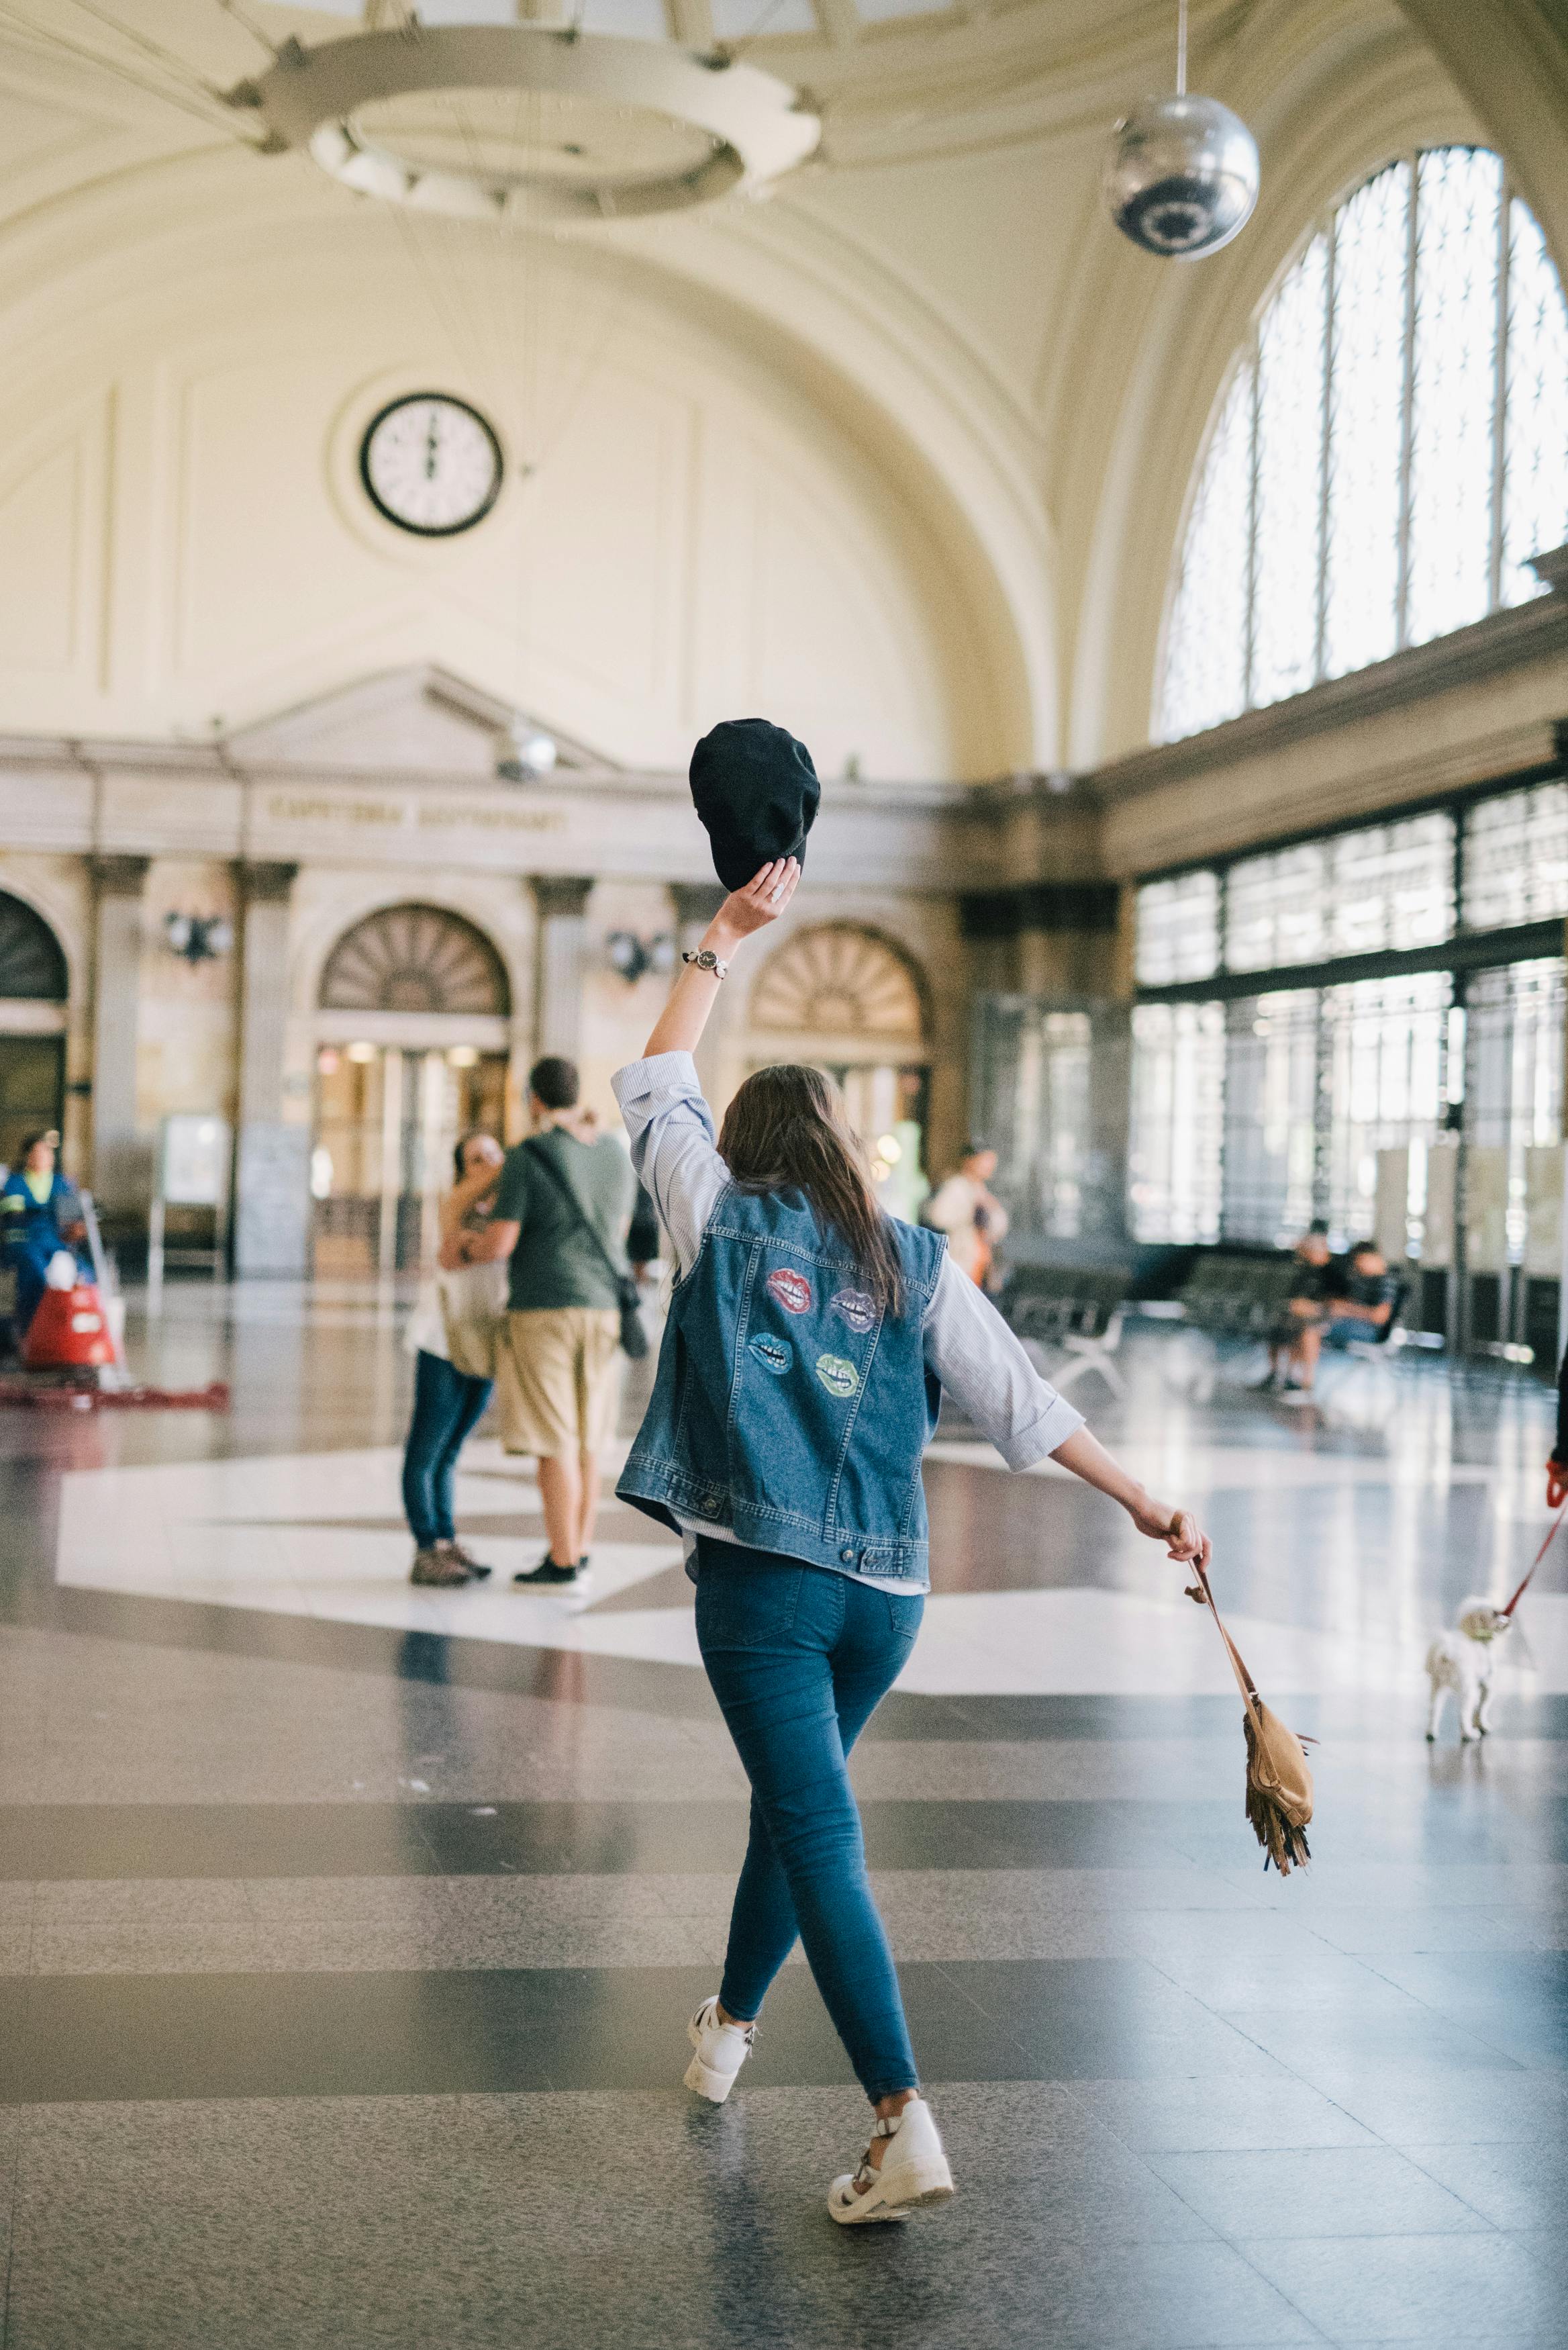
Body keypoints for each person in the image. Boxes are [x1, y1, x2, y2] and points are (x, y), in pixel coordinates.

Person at [611, 857, 1212, 2226]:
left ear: (747, 1145)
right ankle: (725, 2032)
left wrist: (718, 938)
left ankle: (899, 2118)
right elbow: (1022, 1401)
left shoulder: (713, 1218)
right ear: (835, 1142)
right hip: (887, 1592)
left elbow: (656, 1083)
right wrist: (1142, 1499)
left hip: (762, 1588)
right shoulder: (910, 1256)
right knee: (798, 1805)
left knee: (815, 1823)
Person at [464, 1055, 635, 1593]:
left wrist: (465, 1244)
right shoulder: (613, 1151)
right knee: (589, 1438)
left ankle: (561, 1560)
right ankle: (578, 1549)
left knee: (553, 1438)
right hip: (605, 1308)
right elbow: (622, 1228)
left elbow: (500, 1243)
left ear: (535, 1099)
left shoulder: (528, 1156)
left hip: (545, 1308)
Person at [400, 1131, 505, 1587]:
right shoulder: (457, 1205)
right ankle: (427, 1547)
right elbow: (453, 1253)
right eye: (474, 1159)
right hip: (442, 1342)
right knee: (426, 1448)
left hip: (483, 1345)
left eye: (492, 1155)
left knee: (451, 1449)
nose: (485, 1164)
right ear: (463, 1171)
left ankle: (446, 1539)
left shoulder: (511, 1213)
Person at [1279, 1237, 1397, 1403]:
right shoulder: (1362, 1279)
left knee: (1312, 1329)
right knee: (1299, 1321)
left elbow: (1379, 1317)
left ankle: (1306, 1384)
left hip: (1368, 1331)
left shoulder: (1386, 1282)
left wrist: (1346, 1310)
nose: (1358, 1266)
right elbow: (1351, 1304)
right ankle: (1292, 1377)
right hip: (1347, 1321)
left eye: (1361, 1261)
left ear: (1372, 1258)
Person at [1, 1130, 84, 1342]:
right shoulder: (15, 1183)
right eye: (38, 1152)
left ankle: (63, 1330)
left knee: (77, 1273)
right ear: (28, 1156)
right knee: (36, 1274)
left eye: (47, 1152)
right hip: (24, 1242)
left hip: (55, 1243)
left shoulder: (62, 1184)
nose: (43, 1157)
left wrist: (75, 1229)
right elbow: (12, 1217)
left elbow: (72, 1219)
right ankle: (29, 1330)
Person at [924, 1140, 1008, 1290]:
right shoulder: (957, 1186)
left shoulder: (983, 1190)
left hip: (982, 1262)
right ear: (970, 1160)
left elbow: (999, 1227)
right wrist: (968, 1214)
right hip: (961, 1257)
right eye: (984, 1160)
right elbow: (938, 1216)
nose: (989, 1166)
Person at [1269, 1219, 1332, 1391]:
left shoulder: (1330, 1272)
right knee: (1282, 1322)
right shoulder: (1302, 1270)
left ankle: (1301, 1378)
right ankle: (1277, 1373)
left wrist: (1313, 1307)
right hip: (1297, 1312)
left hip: (1319, 1314)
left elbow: (1335, 1301)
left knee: (1305, 1327)